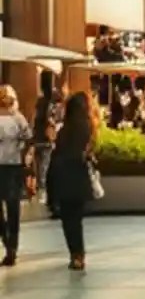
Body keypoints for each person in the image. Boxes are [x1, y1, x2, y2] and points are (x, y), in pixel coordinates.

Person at [47, 92, 97, 270]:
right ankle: (79, 254)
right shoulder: (88, 126)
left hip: (64, 177)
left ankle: (75, 254)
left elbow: (59, 153)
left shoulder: (67, 129)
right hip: (79, 178)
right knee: (76, 219)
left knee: (69, 220)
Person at [0, 86, 31, 267]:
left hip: (12, 166)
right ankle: (9, 244)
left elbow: (28, 138)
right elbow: (28, 138)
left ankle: (11, 246)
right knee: (12, 208)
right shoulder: (18, 118)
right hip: (11, 166)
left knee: (12, 208)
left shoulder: (18, 118)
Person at [32, 72, 63, 206]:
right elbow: (50, 118)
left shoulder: (40, 101)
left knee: (39, 166)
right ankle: (43, 192)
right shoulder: (52, 100)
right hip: (46, 138)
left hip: (37, 136)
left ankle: (41, 191)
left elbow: (35, 118)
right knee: (44, 165)